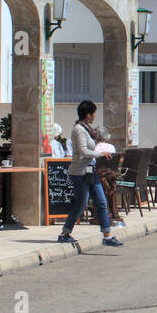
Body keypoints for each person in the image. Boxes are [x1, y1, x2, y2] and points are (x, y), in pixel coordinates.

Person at [58, 99, 122, 247]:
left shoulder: (87, 129)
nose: (94, 116)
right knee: (81, 204)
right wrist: (100, 154)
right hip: (80, 172)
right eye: (93, 113)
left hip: (90, 171)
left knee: (101, 201)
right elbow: (83, 151)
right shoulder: (78, 130)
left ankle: (107, 235)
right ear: (88, 115)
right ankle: (65, 233)